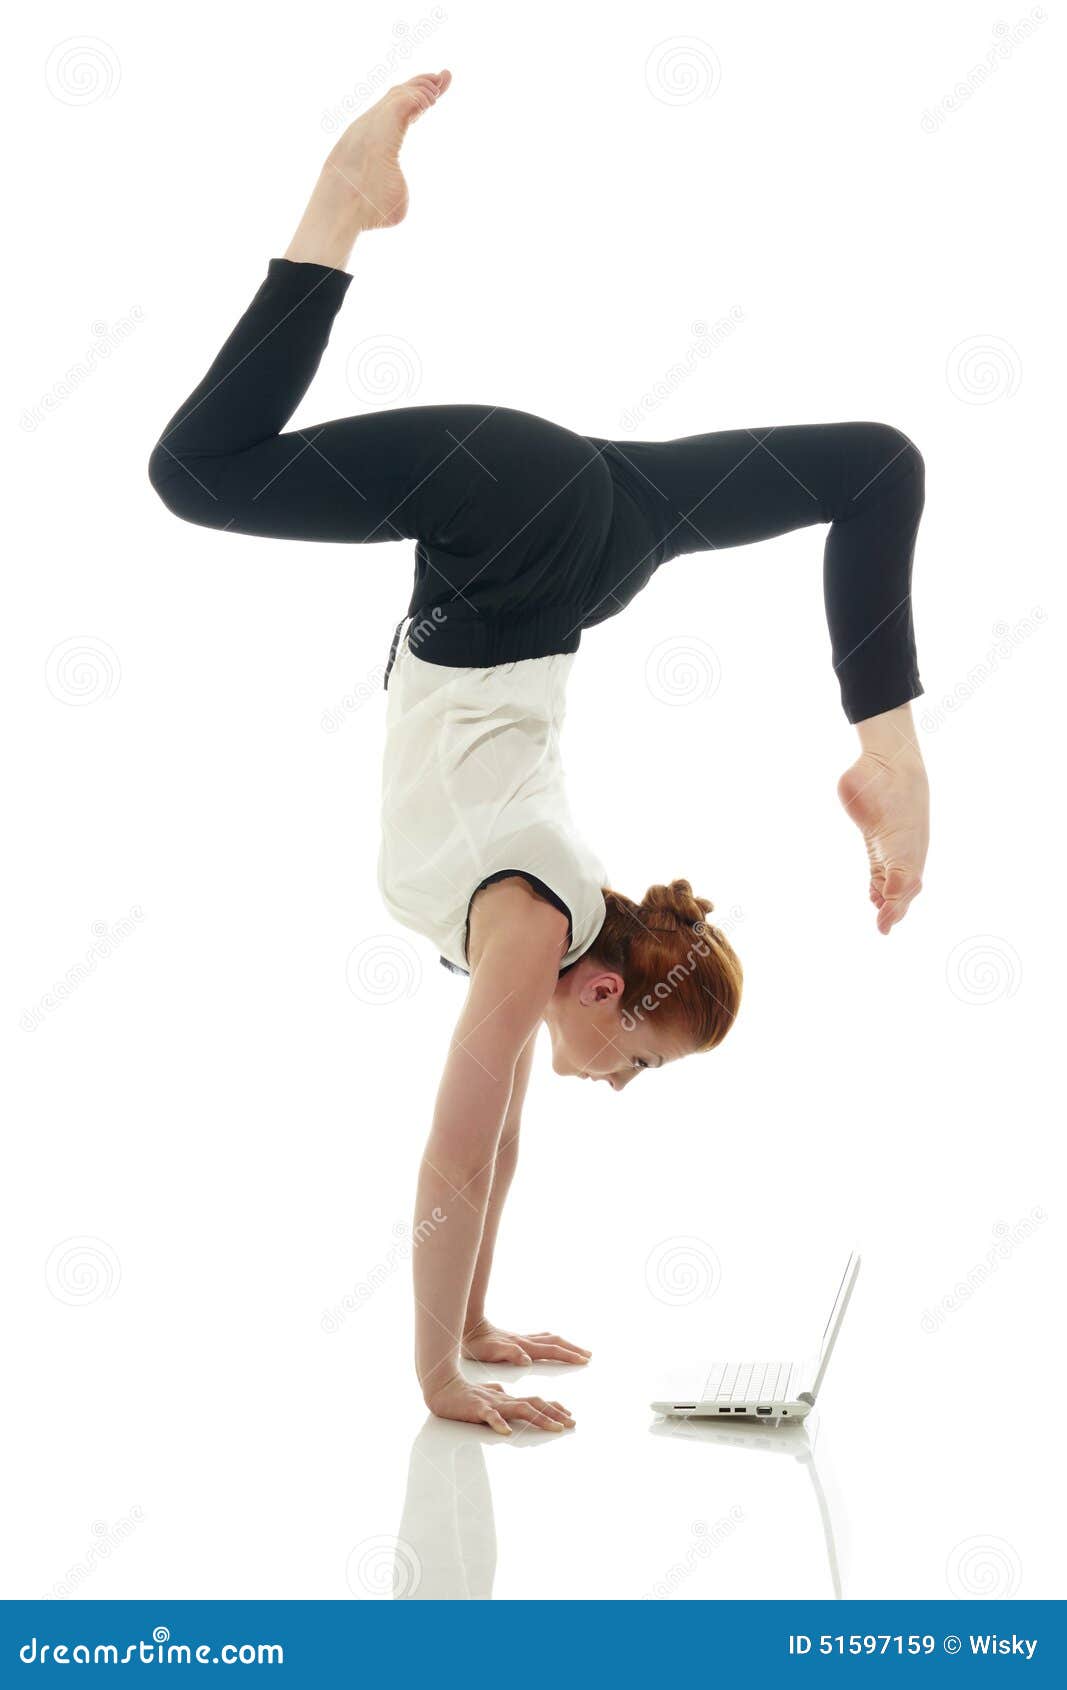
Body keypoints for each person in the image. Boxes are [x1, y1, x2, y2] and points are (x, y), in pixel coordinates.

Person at [147, 71, 929, 1433]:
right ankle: (340, 205)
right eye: (640, 1057)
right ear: (606, 983)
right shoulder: (530, 916)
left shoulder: (541, 914)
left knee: (871, 465)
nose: (620, 1085)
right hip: (517, 534)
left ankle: (890, 751)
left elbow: (496, 1142)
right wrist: (436, 1375)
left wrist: (477, 1323)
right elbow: (454, 1151)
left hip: (589, 532)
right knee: (201, 472)